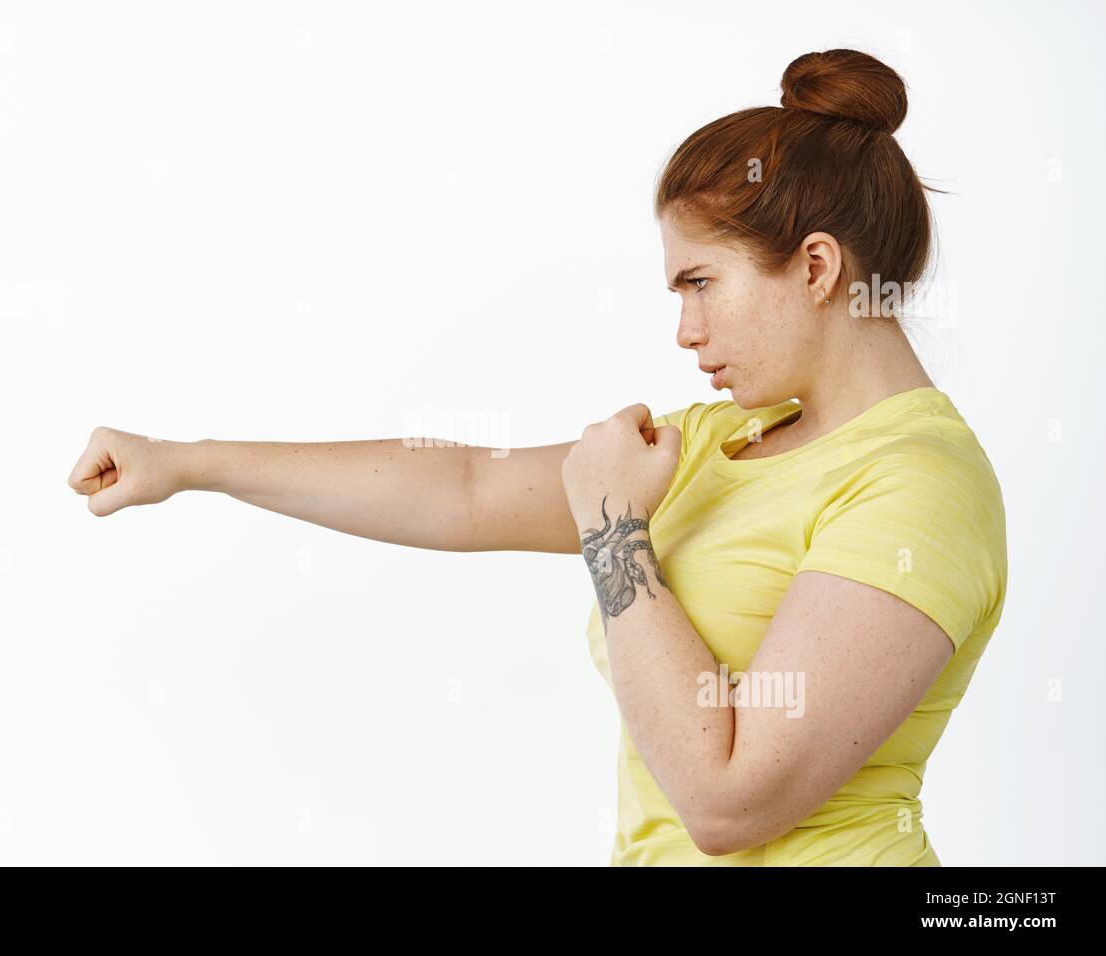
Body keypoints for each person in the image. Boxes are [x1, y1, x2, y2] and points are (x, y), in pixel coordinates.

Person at [67, 48, 1007, 866]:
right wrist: (187, 461)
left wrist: (613, 527)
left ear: (814, 268)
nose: (684, 331)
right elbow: (467, 490)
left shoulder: (917, 485)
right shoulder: (723, 439)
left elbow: (729, 799)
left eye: (700, 283)